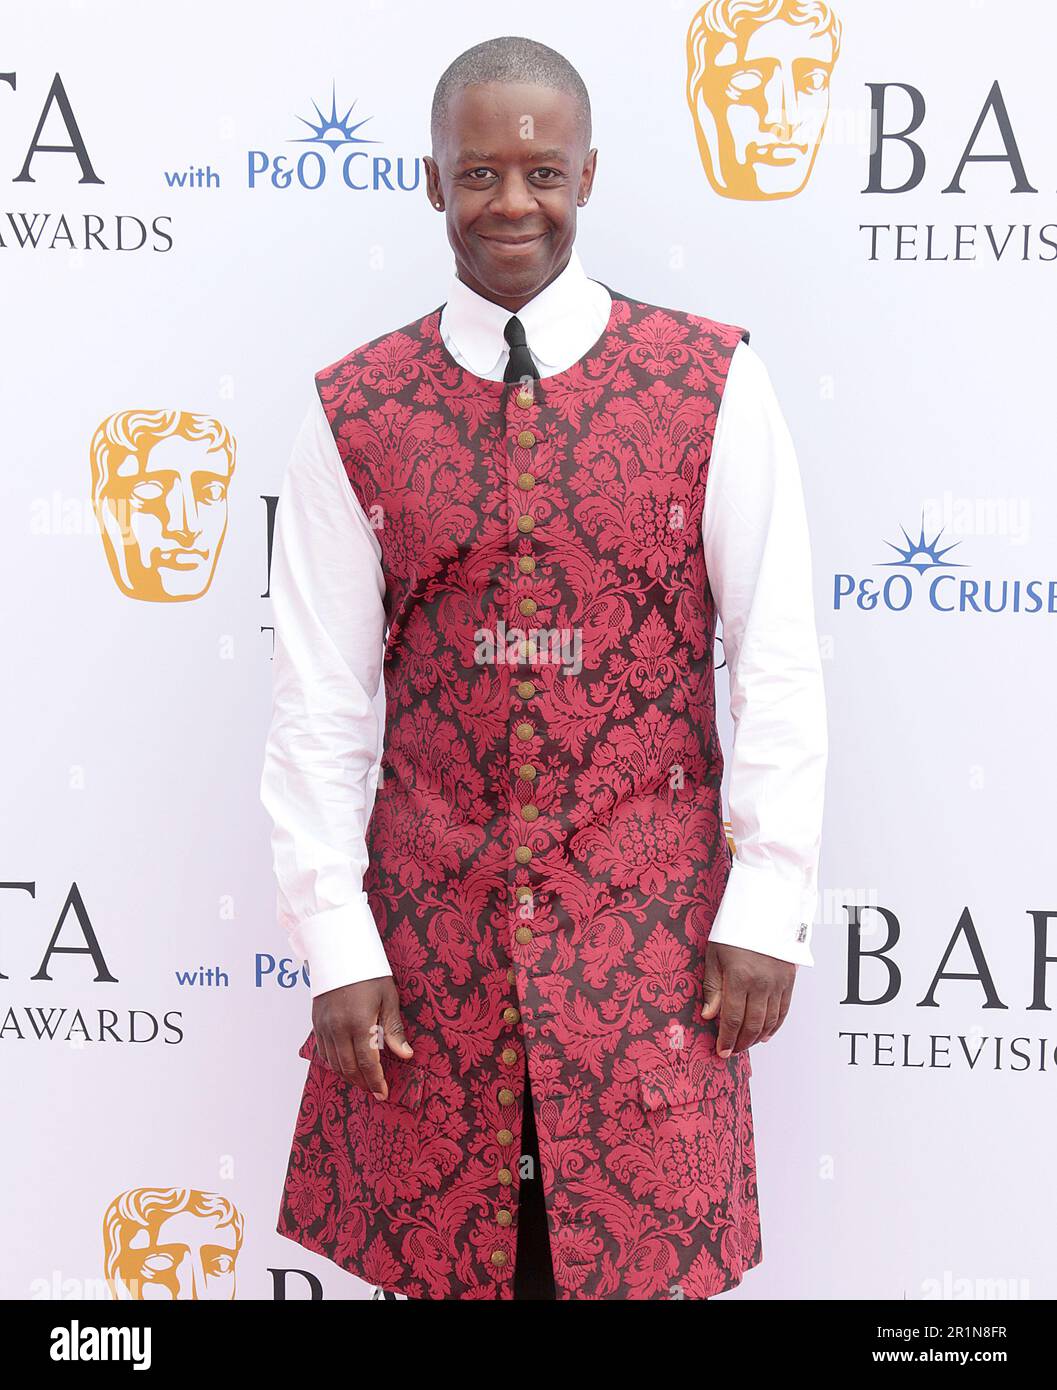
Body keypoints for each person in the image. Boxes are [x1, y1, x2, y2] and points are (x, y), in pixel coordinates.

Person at [260, 34, 827, 1302]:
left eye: (541, 172)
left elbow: (776, 658)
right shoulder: (354, 409)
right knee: (450, 1269)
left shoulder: (710, 379)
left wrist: (768, 898)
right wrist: (337, 941)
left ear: (588, 174)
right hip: (428, 936)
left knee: (634, 1273)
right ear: (430, 183)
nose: (511, 203)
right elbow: (320, 701)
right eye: (478, 175)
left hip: (655, 936)